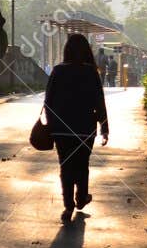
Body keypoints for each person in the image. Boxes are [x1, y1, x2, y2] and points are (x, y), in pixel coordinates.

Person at [43, 34, 110, 224]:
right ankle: (81, 198)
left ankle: (68, 206)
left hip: (61, 130)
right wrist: (104, 127)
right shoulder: (91, 72)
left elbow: (48, 101)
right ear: (87, 51)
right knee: (82, 165)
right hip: (84, 129)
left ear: (67, 50)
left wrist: (52, 125)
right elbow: (99, 102)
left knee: (65, 166)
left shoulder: (58, 71)